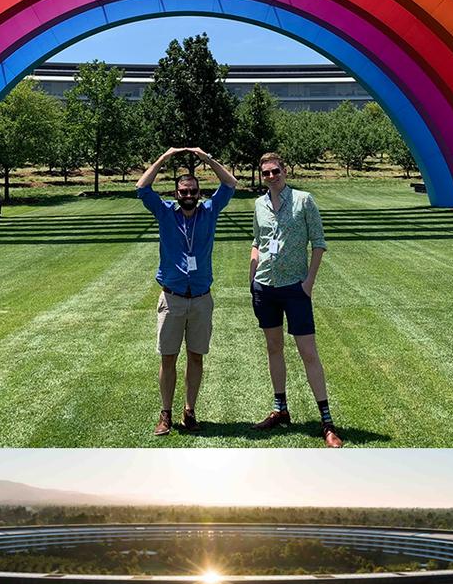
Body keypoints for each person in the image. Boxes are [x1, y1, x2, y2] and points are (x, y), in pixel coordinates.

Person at [137, 146, 237, 436]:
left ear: (199, 192)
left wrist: (206, 158)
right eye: (183, 191)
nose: (188, 195)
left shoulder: (209, 211)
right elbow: (142, 188)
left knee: (196, 356)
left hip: (201, 299)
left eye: (193, 191)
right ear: (176, 193)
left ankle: (189, 410)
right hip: (172, 298)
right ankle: (165, 413)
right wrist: (164, 158)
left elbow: (230, 183)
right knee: (168, 358)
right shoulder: (165, 212)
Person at [249, 152, 342, 447]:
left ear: (285, 171)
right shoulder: (259, 205)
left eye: (275, 171)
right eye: (266, 173)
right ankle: (280, 409)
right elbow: (257, 241)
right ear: (261, 176)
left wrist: (309, 282)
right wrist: (252, 278)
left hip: (295, 288)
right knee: (274, 348)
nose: (272, 176)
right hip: (265, 287)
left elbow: (319, 243)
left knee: (308, 353)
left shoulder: (304, 200)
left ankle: (327, 422)